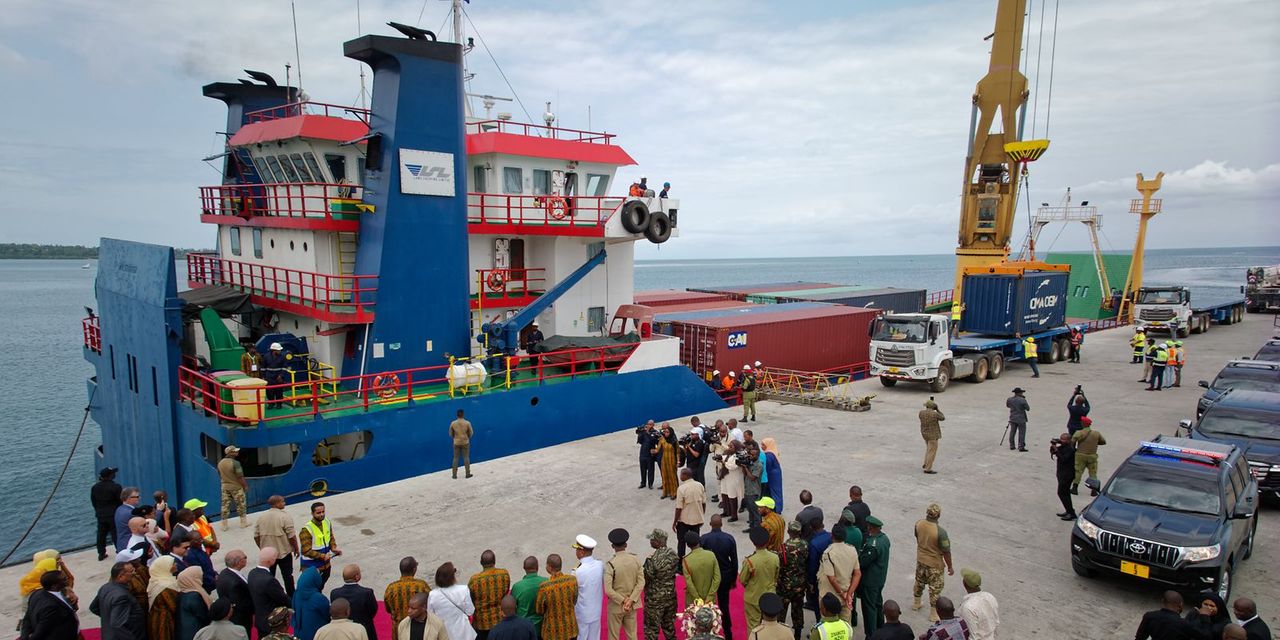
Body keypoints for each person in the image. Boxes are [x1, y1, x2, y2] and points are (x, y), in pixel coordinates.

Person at [911, 504, 953, 623]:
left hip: (921, 559)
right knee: (935, 588)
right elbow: (946, 551)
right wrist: (950, 566)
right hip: (934, 563)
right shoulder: (941, 532)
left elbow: (917, 537)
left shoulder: (918, 524)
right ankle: (934, 614)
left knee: (919, 581)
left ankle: (916, 603)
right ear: (938, 515)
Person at [701, 515, 739, 640]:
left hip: (710, 577)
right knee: (724, 605)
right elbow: (734, 562)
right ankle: (728, 632)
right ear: (721, 524)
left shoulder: (704, 539)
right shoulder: (729, 539)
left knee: (708, 605)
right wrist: (733, 579)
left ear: (710, 524)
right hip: (725, 576)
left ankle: (708, 630)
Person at [603, 528, 645, 640]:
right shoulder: (635, 560)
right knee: (632, 636)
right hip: (631, 606)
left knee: (613, 637)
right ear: (626, 545)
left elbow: (608, 590)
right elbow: (641, 583)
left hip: (616, 606)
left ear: (612, 546)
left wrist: (623, 600)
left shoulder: (611, 564)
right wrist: (630, 600)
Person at [255, 495, 299, 596]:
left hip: (268, 555)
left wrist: (262, 548)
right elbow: (291, 536)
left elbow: (256, 536)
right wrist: (296, 548)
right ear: (277, 504)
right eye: (282, 502)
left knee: (269, 577)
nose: (284, 503)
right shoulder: (285, 516)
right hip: (284, 552)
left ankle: (271, 595)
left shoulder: (261, 517)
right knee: (288, 576)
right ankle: (291, 596)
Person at [740, 527, 781, 631]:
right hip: (770, 595)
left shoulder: (750, 561)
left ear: (753, 543)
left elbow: (742, 580)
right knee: (770, 626)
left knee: (753, 627)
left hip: (753, 597)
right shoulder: (775, 557)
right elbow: (776, 575)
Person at [818, 524, 860, 626]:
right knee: (845, 625)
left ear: (832, 536)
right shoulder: (852, 550)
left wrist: (842, 594)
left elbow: (832, 579)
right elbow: (857, 574)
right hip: (846, 594)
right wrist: (849, 595)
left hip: (830, 595)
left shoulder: (828, 553)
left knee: (828, 626)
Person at [20, 570, 80, 640]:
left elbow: (27, 619)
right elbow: (41, 630)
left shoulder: (36, 594)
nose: (67, 579)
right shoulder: (51, 606)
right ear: (54, 586)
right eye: (64, 579)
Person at [641, 529, 679, 640]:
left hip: (655, 600)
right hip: (671, 597)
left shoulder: (652, 559)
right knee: (669, 626)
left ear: (658, 542)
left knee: (651, 629)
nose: (650, 542)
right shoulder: (673, 554)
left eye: (652, 540)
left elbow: (646, 578)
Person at [857, 516, 889, 638]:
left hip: (870, 581)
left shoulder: (872, 545)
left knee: (869, 608)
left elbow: (863, 563)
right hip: (880, 578)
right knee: (877, 604)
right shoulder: (884, 538)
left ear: (871, 527)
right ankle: (880, 628)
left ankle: (871, 635)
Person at [249, 548, 292, 638]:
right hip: (271, 621)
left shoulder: (252, 573)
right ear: (271, 561)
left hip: (259, 619)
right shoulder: (269, 580)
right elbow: (282, 598)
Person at [386, 557, 432, 640]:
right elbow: (431, 604)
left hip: (398, 629)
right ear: (414, 569)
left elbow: (388, 609)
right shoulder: (421, 586)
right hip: (419, 627)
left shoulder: (390, 588)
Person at [469, 550, 512, 640]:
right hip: (500, 620)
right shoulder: (504, 574)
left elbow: (471, 599)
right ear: (494, 561)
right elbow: (506, 591)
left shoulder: (474, 580)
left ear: (481, 562)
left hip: (482, 624)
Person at [427, 563, 476, 640]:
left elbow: (431, 615)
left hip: (443, 633)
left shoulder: (433, 594)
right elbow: (470, 611)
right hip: (463, 632)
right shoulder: (463, 589)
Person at [534, 554, 578, 640]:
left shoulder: (545, 587)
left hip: (552, 632)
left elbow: (539, 610)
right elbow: (574, 601)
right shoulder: (572, 580)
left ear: (549, 567)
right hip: (571, 629)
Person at [778, 521, 809, 640]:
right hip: (800, 585)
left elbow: (780, 566)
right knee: (797, 610)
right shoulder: (805, 545)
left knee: (781, 612)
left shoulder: (783, 548)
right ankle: (797, 635)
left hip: (785, 586)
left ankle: (781, 635)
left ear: (789, 532)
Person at [330, 565, 377, 640]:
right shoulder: (366, 593)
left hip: (342, 631)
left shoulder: (334, 593)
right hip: (364, 629)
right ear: (357, 576)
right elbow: (373, 611)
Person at [300, 502, 341, 586]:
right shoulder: (306, 529)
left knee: (321, 585)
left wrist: (333, 547)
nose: (322, 514)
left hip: (325, 565)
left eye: (323, 512)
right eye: (318, 513)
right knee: (313, 588)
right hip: (311, 567)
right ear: (312, 513)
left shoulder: (326, 522)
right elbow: (306, 551)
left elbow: (330, 537)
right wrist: (322, 556)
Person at [573, 535, 605, 640]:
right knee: (595, 637)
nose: (576, 552)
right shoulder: (600, 565)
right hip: (596, 610)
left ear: (581, 552)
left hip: (582, 613)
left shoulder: (577, 572)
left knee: (581, 636)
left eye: (577, 549)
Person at [216, 550, 255, 637]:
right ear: (239, 562)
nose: (246, 559)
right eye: (245, 557)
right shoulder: (235, 583)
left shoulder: (225, 573)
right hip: (241, 619)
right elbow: (240, 604)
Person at [674, 468, 707, 560]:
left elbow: (679, 508)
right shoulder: (700, 485)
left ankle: (681, 564)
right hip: (696, 520)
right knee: (695, 542)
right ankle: (696, 560)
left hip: (684, 520)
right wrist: (701, 515)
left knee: (681, 543)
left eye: (681, 474)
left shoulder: (681, 489)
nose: (680, 476)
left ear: (685, 475)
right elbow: (704, 503)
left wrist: (674, 522)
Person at [92, 468, 124, 560]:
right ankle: (119, 551)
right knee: (115, 533)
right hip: (113, 514)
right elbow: (120, 501)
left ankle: (101, 553)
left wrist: (99, 511)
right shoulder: (116, 487)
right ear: (110, 476)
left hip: (101, 514)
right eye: (113, 473)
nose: (114, 475)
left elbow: (93, 501)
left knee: (101, 534)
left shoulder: (95, 487)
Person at [956, 569, 997, 640]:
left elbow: (973, 636)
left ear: (964, 584)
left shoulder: (968, 607)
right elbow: (996, 621)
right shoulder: (989, 596)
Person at [510, 556, 546, 636]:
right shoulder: (546, 582)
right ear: (537, 567)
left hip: (524, 629)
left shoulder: (517, 587)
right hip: (543, 627)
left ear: (524, 568)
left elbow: (513, 608)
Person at [1070, 417, 1106, 496]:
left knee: (1078, 471)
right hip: (1092, 456)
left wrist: (1074, 450)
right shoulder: (1096, 433)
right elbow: (1103, 442)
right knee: (1093, 473)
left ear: (1083, 424)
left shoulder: (1079, 433)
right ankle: (1093, 490)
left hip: (1080, 455)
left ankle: (1074, 488)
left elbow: (1072, 443)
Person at [682, 531, 720, 604]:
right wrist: (710, 595)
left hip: (693, 600)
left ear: (688, 545)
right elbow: (717, 578)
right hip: (710, 600)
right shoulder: (711, 555)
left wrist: (697, 598)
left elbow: (689, 583)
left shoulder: (687, 560)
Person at [217, 446, 250, 530]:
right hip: (236, 487)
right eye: (235, 451)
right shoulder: (235, 463)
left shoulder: (220, 463)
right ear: (231, 453)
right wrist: (245, 486)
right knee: (241, 504)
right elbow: (240, 476)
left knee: (225, 505)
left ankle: (224, 525)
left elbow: (220, 474)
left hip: (225, 487)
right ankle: (243, 523)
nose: (237, 452)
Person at [804, 517, 832, 616]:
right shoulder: (831, 535)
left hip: (819, 576)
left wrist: (811, 582)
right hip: (832, 573)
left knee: (818, 604)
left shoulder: (814, 543)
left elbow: (812, 565)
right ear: (823, 525)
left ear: (811, 528)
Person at [149, 556, 181, 640]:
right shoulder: (164, 586)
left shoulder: (156, 580)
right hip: (165, 622)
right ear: (166, 567)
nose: (175, 564)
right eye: (172, 564)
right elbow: (174, 605)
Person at [175, 566, 212, 640]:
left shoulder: (182, 593)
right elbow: (203, 616)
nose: (201, 578)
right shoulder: (194, 596)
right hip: (194, 634)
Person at [1051, 432, 1078, 520]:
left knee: (1062, 493)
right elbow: (1055, 451)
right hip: (1062, 473)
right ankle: (1069, 511)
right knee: (1064, 493)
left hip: (1067, 474)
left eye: (1063, 439)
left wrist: (1056, 449)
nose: (1061, 441)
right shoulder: (1064, 446)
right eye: (1061, 439)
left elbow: (1063, 459)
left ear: (1069, 440)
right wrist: (1054, 445)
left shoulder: (1070, 449)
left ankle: (1071, 513)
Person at [718, 440, 746, 521]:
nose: (729, 448)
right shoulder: (727, 453)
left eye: (732, 446)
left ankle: (734, 515)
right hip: (725, 477)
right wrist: (720, 458)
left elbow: (732, 466)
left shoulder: (739, 455)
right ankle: (726, 511)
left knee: (732, 496)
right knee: (724, 494)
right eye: (729, 446)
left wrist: (723, 461)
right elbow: (724, 458)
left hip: (734, 478)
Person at [742, 442, 765, 532]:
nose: (750, 456)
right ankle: (751, 527)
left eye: (752, 455)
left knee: (756, 512)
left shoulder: (759, 465)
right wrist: (744, 467)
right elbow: (745, 474)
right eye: (750, 454)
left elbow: (752, 477)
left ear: (757, 455)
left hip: (754, 491)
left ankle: (757, 528)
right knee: (750, 511)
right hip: (748, 490)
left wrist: (746, 468)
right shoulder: (750, 462)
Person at [919, 400, 945, 474]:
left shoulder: (921, 413)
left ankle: (926, 463)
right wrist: (937, 409)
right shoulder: (935, 414)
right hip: (933, 435)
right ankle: (928, 468)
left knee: (928, 449)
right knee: (932, 451)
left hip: (925, 434)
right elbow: (943, 418)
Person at [656, 423, 680, 499]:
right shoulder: (662, 439)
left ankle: (674, 492)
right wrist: (654, 451)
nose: (665, 433)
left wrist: (678, 461)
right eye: (665, 432)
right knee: (664, 475)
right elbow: (658, 449)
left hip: (672, 460)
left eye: (667, 432)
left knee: (672, 476)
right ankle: (665, 492)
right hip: (664, 460)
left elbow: (678, 452)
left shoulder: (674, 441)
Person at [261, 343, 289, 407]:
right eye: (278, 350)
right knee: (269, 391)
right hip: (269, 377)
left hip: (278, 377)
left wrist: (281, 375)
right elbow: (263, 368)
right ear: (274, 350)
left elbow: (285, 367)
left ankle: (279, 404)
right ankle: (271, 403)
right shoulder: (266, 357)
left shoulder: (282, 357)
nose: (280, 351)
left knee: (279, 391)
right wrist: (263, 377)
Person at [115, 487, 142, 553]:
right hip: (131, 546)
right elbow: (146, 527)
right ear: (128, 498)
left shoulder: (119, 509)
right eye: (137, 496)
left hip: (122, 544)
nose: (139, 498)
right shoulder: (131, 513)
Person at [450, 409, 475, 479]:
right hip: (465, 442)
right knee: (466, 457)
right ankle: (467, 473)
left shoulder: (453, 423)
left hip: (456, 442)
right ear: (463, 414)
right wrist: (467, 437)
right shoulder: (467, 423)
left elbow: (450, 434)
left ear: (457, 415)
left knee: (455, 458)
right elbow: (471, 433)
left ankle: (454, 475)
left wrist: (455, 438)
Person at [761, 438, 784, 512]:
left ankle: (776, 509)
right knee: (777, 491)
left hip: (772, 476)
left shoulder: (769, 455)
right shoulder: (773, 452)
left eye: (763, 445)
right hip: (776, 475)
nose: (761, 446)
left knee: (774, 492)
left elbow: (767, 467)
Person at [637, 420, 660, 490]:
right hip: (643, 453)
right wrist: (640, 434)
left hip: (650, 454)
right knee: (642, 469)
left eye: (650, 424)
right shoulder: (643, 432)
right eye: (648, 424)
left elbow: (654, 441)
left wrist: (647, 433)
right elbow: (640, 441)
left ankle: (650, 484)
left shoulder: (655, 432)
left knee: (650, 469)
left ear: (653, 425)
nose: (649, 426)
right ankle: (643, 483)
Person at [1006, 388, 1030, 452]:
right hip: (1021, 419)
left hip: (1013, 418)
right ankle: (1021, 446)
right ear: (1019, 393)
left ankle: (1012, 445)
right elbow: (1028, 408)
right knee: (1021, 433)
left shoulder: (1009, 399)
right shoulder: (1022, 400)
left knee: (1012, 432)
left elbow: (1008, 406)